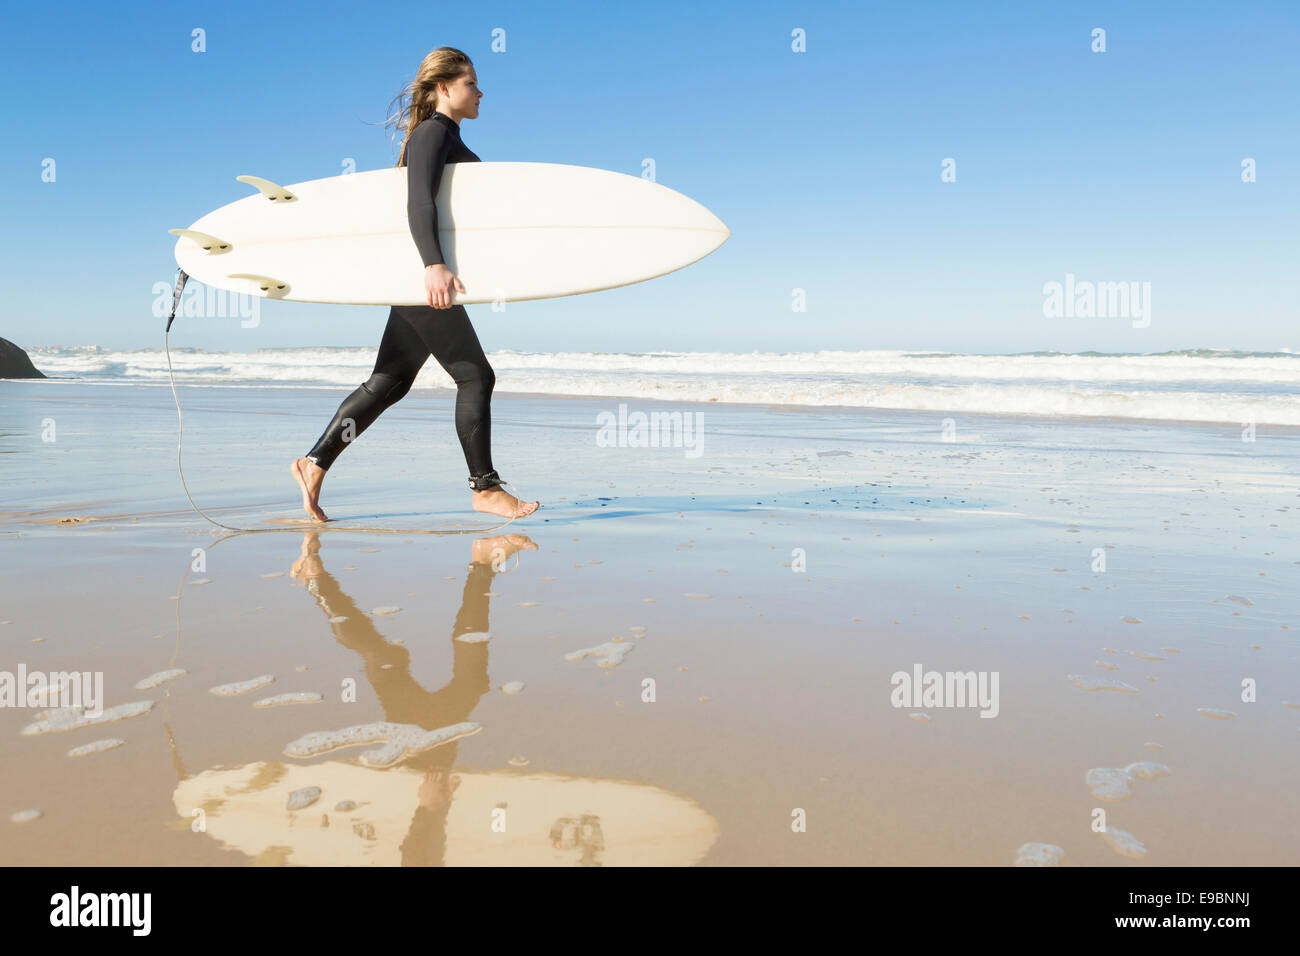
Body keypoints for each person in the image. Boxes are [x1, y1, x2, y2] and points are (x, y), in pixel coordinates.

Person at [291, 47, 539, 521]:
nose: (480, 91)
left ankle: (314, 463)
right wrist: (433, 265)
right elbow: (418, 202)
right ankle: (484, 488)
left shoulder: (444, 135)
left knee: (390, 381)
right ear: (445, 88)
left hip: (413, 274)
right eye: (471, 83)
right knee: (475, 376)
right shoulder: (432, 133)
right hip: (422, 274)